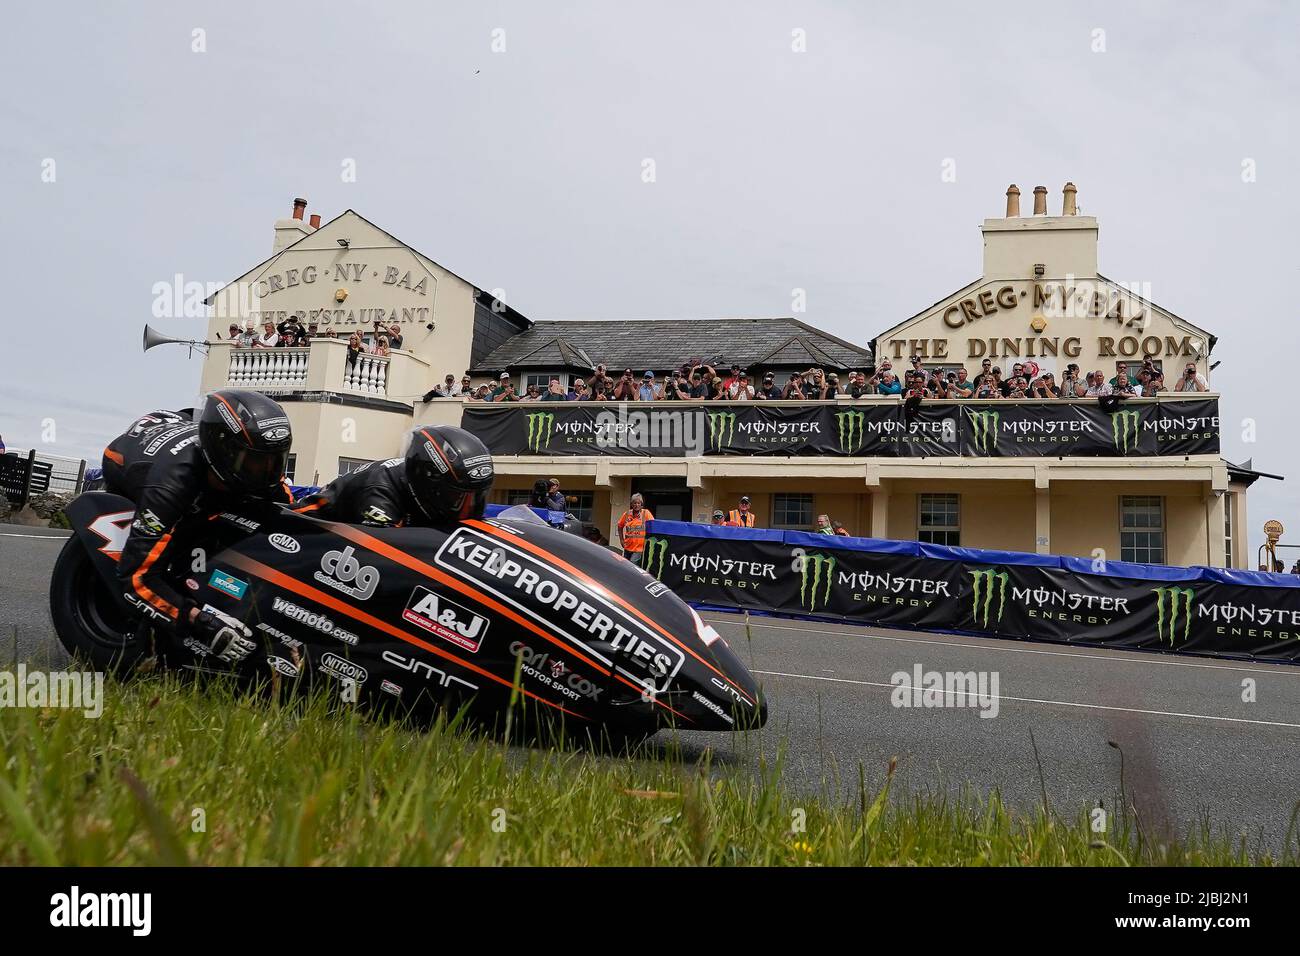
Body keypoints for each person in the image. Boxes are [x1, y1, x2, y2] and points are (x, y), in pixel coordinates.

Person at [101, 391, 294, 663]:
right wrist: (199, 621)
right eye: (254, 462)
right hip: (130, 454)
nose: (266, 472)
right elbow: (135, 578)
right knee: (177, 537)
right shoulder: (169, 485)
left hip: (183, 421)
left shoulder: (263, 472)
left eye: (275, 460)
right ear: (223, 451)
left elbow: (289, 514)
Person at [293, 425, 494, 529]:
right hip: (304, 531)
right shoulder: (380, 493)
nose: (470, 509)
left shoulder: (415, 484)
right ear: (428, 484)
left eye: (477, 498)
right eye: (460, 499)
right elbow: (383, 558)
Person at [616, 493, 654, 565]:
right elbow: (620, 526)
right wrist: (621, 540)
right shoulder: (627, 514)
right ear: (631, 504)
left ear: (641, 504)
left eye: (638, 503)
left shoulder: (646, 513)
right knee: (625, 566)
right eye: (634, 503)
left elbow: (653, 526)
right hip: (627, 547)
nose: (636, 505)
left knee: (632, 565)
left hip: (639, 549)